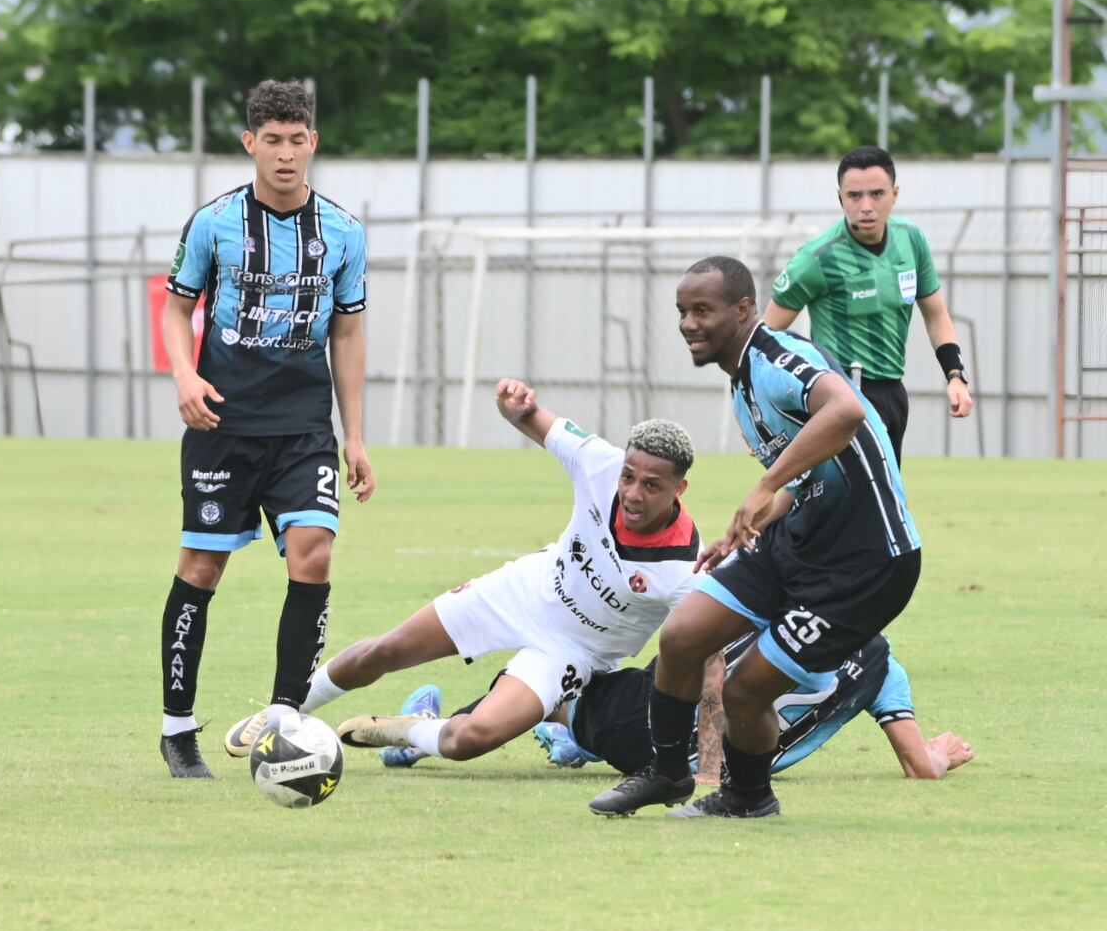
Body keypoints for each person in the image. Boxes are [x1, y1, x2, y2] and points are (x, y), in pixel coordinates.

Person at [225, 378, 704, 766]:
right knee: (387, 649)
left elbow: (707, 655)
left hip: (572, 653)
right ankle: (285, 710)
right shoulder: (598, 462)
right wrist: (511, 403)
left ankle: (409, 730)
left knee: (468, 739)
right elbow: (529, 418)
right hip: (524, 590)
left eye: (652, 485)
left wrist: (710, 769)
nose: (633, 493)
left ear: (679, 488)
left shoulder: (684, 569)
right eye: (629, 477)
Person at [602, 256, 923, 819]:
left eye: (702, 310)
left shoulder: (777, 358)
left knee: (745, 692)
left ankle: (749, 796)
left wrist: (763, 484)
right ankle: (669, 773)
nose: (687, 324)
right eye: (682, 311)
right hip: (798, 541)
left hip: (865, 564)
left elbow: (845, 410)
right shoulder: (743, 383)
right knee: (682, 637)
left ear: (744, 309)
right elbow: (810, 479)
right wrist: (752, 521)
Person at [157, 78, 374, 778]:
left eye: (297, 139)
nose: (285, 154)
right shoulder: (214, 222)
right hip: (223, 420)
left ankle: (285, 716)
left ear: (314, 142)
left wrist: (357, 436)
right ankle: (178, 728)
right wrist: (185, 377)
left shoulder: (343, 232)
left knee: (313, 552)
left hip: (304, 426)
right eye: (271, 140)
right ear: (251, 144)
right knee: (203, 567)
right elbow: (174, 306)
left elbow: (348, 332)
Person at [384, 633, 975, 789]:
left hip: (648, 732)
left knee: (549, 678)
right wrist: (941, 756)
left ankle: (422, 731)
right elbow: (919, 767)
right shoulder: (885, 671)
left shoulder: (788, 607)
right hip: (678, 753)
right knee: (591, 699)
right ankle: (573, 740)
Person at [765, 145, 974, 462]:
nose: (866, 206)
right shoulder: (817, 258)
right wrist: (765, 412)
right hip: (841, 395)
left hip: (893, 394)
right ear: (840, 198)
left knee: (882, 501)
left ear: (895, 194)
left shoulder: (912, 241)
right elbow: (765, 339)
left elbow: (936, 316)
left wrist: (955, 376)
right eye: (854, 196)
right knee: (854, 503)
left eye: (877, 194)